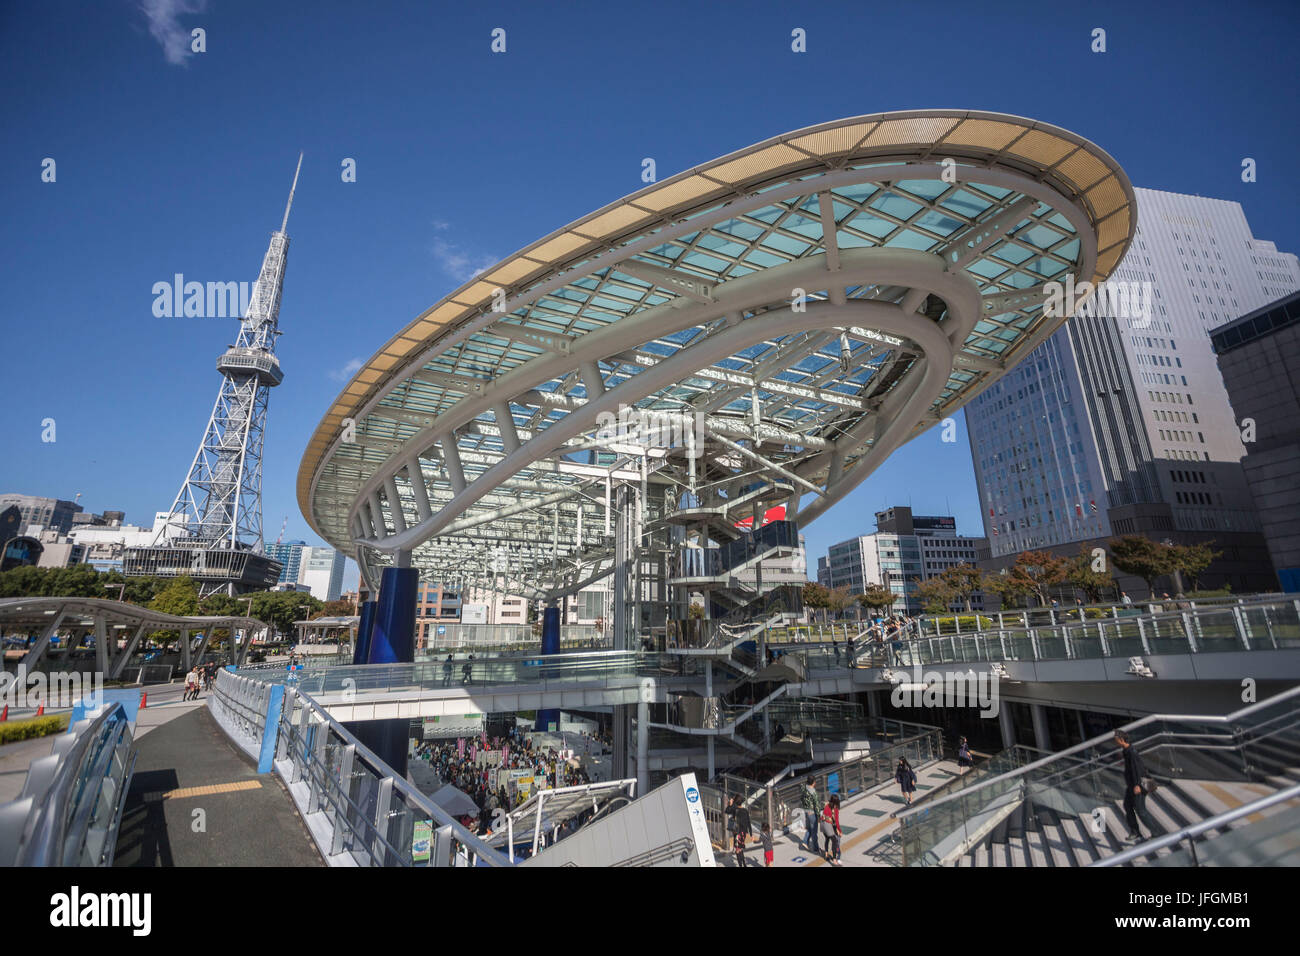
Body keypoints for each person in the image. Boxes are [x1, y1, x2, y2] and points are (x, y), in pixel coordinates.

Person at [1114, 730, 1158, 842]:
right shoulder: (1126, 751)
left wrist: (1137, 785)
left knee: (1141, 810)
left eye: (1116, 740)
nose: (1115, 742)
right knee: (1127, 806)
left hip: (1138, 785)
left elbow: (1138, 769)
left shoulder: (1131, 752)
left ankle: (1156, 833)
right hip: (1131, 785)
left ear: (1121, 740)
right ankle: (1135, 832)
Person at [800, 780, 821, 855]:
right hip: (812, 812)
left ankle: (805, 841)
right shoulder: (813, 792)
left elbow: (801, 798)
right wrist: (818, 816)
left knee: (809, 828)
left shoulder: (803, 788)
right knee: (814, 831)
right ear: (813, 782)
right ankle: (816, 848)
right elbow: (817, 804)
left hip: (806, 811)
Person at [821, 794, 842, 866]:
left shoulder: (826, 806)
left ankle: (826, 853)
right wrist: (839, 830)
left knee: (827, 839)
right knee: (835, 841)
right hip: (827, 825)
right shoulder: (835, 809)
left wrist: (836, 829)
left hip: (823, 825)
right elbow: (836, 822)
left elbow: (824, 817)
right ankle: (834, 859)